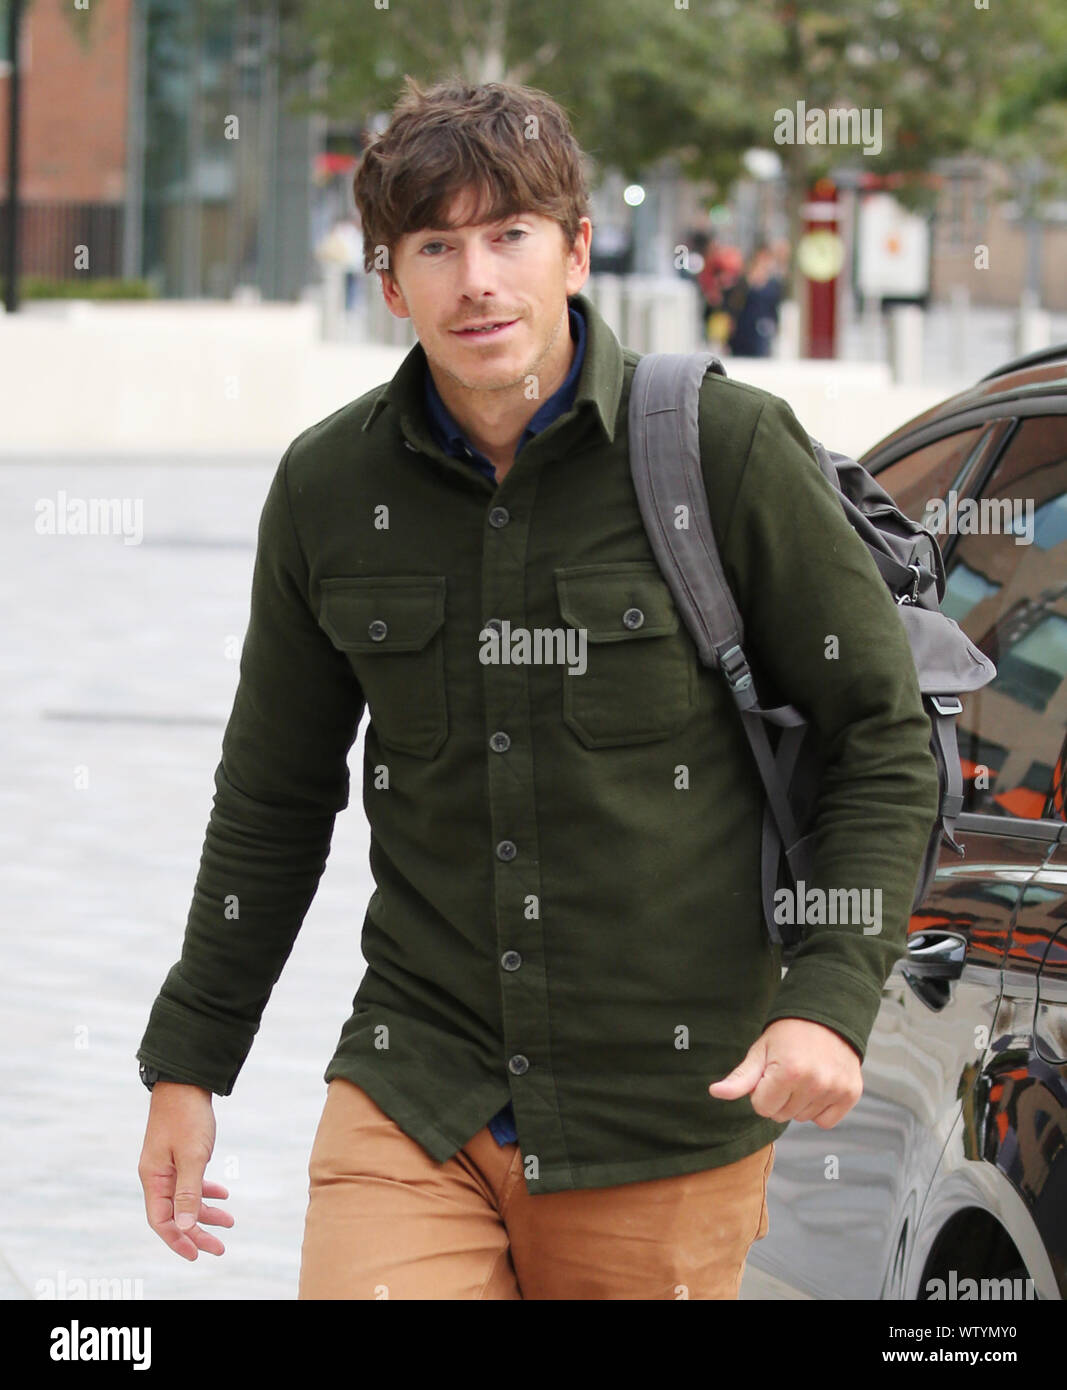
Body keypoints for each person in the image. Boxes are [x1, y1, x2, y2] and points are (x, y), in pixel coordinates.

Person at [136, 75, 940, 1300]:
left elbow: (878, 737)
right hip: (420, 1086)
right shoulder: (324, 490)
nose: (476, 281)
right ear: (388, 280)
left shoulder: (721, 452)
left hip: (665, 1111)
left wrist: (828, 1000)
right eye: (436, 246)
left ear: (573, 252)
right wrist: (189, 1063)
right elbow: (272, 797)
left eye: (508, 235)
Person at [725, 242, 783, 357]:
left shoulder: (773, 283)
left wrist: (777, 325)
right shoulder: (744, 280)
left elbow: (774, 306)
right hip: (744, 326)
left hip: (762, 329)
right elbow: (734, 303)